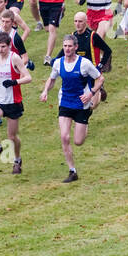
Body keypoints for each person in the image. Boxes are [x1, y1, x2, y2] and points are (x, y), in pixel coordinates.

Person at [40, 34, 104, 182]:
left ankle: (86, 120)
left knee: (78, 141)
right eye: (65, 46)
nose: (67, 49)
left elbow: (100, 78)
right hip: (65, 102)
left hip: (82, 104)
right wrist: (45, 91)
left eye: (70, 46)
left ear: (76, 47)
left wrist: (91, 93)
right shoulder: (58, 63)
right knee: (64, 137)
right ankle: (72, 171)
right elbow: (52, 79)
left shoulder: (85, 64)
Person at [0, 31, 32, 174]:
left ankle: (17, 159)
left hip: (13, 102)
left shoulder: (14, 58)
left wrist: (14, 82)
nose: (0, 50)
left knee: (12, 137)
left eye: (3, 47)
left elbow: (28, 77)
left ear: (9, 46)